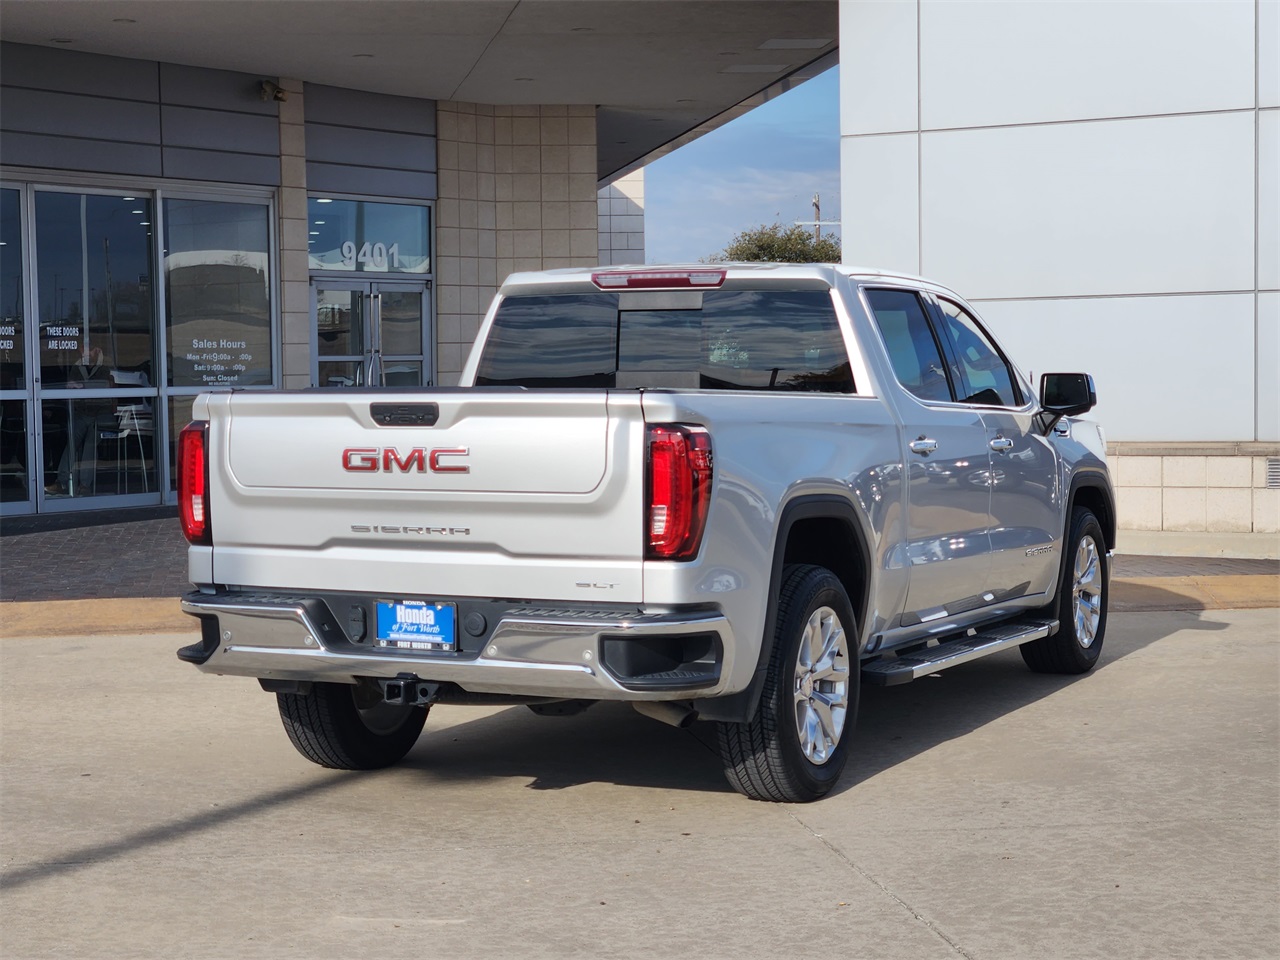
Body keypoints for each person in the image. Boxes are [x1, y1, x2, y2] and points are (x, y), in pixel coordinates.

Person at [46, 345, 112, 496]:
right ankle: (62, 482)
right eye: (83, 349)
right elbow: (71, 387)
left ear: (97, 351)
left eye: (89, 350)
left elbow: (101, 388)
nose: (85, 353)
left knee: (90, 445)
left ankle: (84, 485)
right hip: (81, 414)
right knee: (71, 443)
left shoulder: (104, 367)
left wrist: (82, 388)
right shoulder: (76, 368)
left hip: (100, 415)